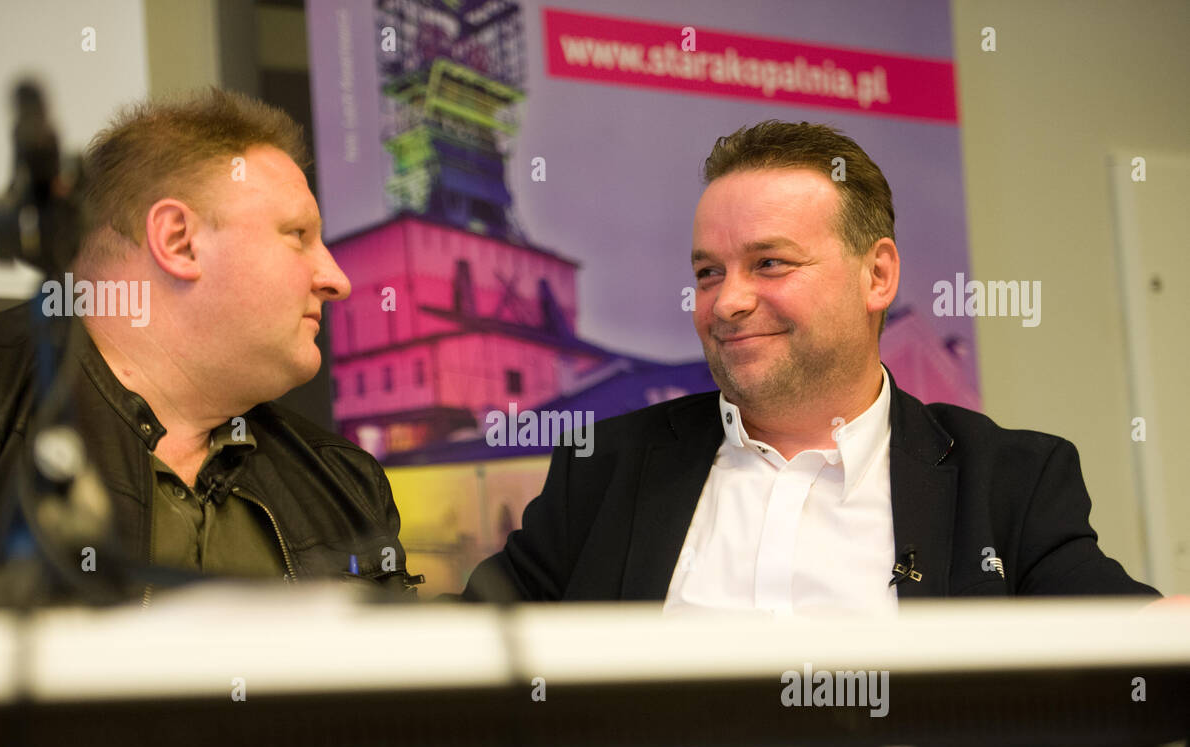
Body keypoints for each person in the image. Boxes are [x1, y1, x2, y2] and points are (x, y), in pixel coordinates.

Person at [463, 120, 1159, 608]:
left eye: (769, 263)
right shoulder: (605, 470)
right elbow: (457, 661)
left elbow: (1127, 653)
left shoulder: (1007, 483)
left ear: (877, 275)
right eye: (708, 272)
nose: (726, 302)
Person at [0, 88, 415, 600]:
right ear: (178, 241)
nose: (336, 279)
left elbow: (418, 680)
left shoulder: (346, 481)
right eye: (298, 234)